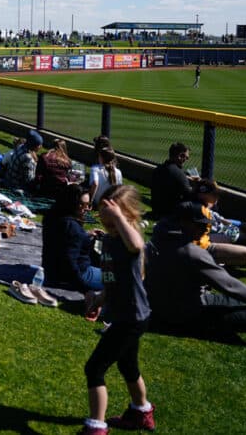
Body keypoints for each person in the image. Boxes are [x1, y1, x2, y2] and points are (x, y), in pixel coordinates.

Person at [145, 201, 246, 338]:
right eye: (199, 224)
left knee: (238, 301)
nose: (204, 228)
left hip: (157, 307)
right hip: (188, 314)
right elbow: (228, 284)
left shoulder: (157, 239)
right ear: (184, 222)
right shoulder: (191, 252)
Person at [79, 185, 154, 435]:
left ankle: (97, 428)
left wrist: (120, 219)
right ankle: (142, 413)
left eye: (114, 217)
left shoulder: (128, 239)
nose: (108, 221)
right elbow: (112, 280)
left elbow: (136, 245)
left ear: (129, 216)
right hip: (127, 315)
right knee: (128, 365)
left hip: (131, 317)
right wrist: (99, 301)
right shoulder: (110, 239)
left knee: (95, 368)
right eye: (105, 215)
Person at [42, 184, 104, 292]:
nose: (86, 209)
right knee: (120, 278)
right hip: (76, 275)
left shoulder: (53, 217)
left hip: (50, 269)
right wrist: (85, 290)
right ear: (71, 203)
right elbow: (69, 263)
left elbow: (63, 241)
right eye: (81, 204)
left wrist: (84, 234)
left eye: (88, 205)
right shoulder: (72, 227)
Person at [149, 142, 196, 219]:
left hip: (157, 210)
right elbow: (190, 194)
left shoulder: (158, 169)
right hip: (170, 213)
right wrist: (197, 186)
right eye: (186, 158)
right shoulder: (178, 173)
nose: (186, 160)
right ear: (180, 156)